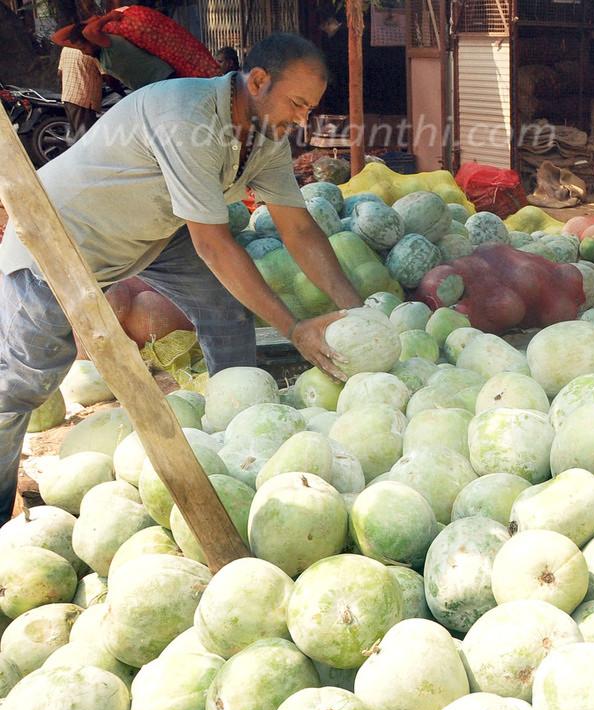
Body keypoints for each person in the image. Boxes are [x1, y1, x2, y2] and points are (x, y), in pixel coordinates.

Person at [0, 32, 361, 520]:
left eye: (309, 109)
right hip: (58, 238)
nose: (302, 120)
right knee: (22, 385)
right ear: (258, 81)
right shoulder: (187, 116)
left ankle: (236, 439)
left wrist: (358, 311)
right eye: (297, 104)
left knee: (225, 309)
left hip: (149, 231)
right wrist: (294, 329)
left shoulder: (266, 138)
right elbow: (213, 245)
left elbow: (298, 228)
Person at [57, 45, 103, 139]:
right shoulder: (90, 49)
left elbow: (60, 73)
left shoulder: (66, 48)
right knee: (85, 136)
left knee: (78, 133)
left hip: (68, 97)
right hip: (83, 99)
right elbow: (107, 76)